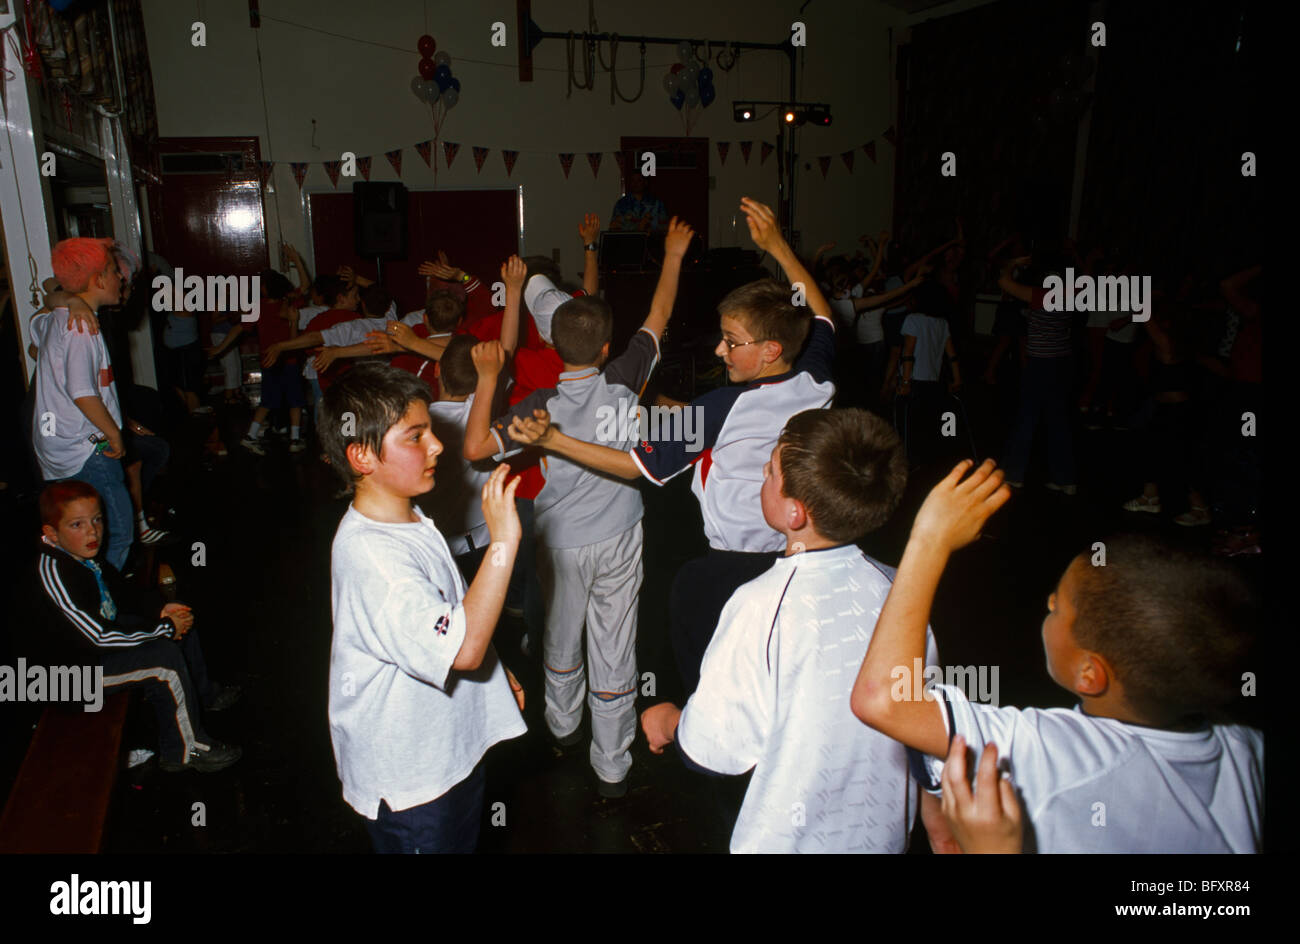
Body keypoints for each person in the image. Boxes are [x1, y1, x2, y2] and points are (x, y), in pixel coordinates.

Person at [501, 199, 835, 697]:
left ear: (770, 350)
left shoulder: (723, 406)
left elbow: (635, 467)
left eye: (731, 341)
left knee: (714, 669)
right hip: (799, 551)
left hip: (733, 564)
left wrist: (554, 440)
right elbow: (822, 317)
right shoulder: (814, 379)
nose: (720, 350)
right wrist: (779, 249)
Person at [851, 459, 1263, 852]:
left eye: (1058, 607)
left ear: (1090, 674)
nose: (1048, 600)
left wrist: (929, 540)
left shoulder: (1055, 754)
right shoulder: (1246, 748)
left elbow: (883, 698)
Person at [464, 219, 694, 798]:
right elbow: (659, 315)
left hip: (560, 539)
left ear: (551, 344)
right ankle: (612, 767)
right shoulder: (624, 380)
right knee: (614, 645)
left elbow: (472, 450)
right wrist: (672, 254)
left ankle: (563, 729)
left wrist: (488, 377)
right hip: (620, 534)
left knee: (562, 636)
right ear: (608, 347)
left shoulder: (540, 404)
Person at [640, 408, 936, 852]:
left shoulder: (759, 604)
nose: (763, 469)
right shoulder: (901, 590)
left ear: (795, 514)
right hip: (883, 833)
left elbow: (716, 747)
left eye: (772, 470)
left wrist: (666, 720)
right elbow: (924, 723)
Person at [321, 362, 526, 854]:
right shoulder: (375, 560)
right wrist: (502, 542)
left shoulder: (409, 515)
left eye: (430, 430)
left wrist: (498, 671)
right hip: (413, 786)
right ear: (362, 456)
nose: (437, 445)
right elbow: (461, 652)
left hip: (444, 754)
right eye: (415, 437)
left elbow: (452, 605)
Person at [21, 481, 241, 772]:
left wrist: (160, 610)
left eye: (97, 519)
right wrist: (163, 628)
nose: (92, 531)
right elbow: (97, 637)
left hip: (88, 651)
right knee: (164, 659)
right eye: (77, 524)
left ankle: (202, 695)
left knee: (179, 621)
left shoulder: (77, 551)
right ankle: (186, 750)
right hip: (67, 677)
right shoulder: (54, 573)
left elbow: (120, 592)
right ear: (51, 532)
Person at [31, 238, 134, 571]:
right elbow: (82, 391)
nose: (122, 279)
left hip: (59, 445)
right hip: (87, 445)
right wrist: (114, 435)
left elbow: (50, 297)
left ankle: (86, 594)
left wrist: (69, 298)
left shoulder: (59, 316)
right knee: (118, 531)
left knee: (77, 536)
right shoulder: (82, 327)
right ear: (99, 278)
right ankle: (105, 605)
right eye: (115, 272)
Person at [241, 270, 305, 454]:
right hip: (288, 358)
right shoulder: (288, 304)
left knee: (267, 400)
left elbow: (243, 326)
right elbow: (305, 287)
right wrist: (297, 261)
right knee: (295, 400)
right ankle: (294, 438)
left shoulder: (259, 305)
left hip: (269, 359)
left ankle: (251, 435)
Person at [609, 169, 668, 234]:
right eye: (633, 180)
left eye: (639, 180)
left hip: (651, 241)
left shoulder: (656, 204)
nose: (635, 183)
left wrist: (648, 226)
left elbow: (664, 227)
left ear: (645, 182)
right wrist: (637, 227)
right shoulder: (621, 204)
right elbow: (613, 229)